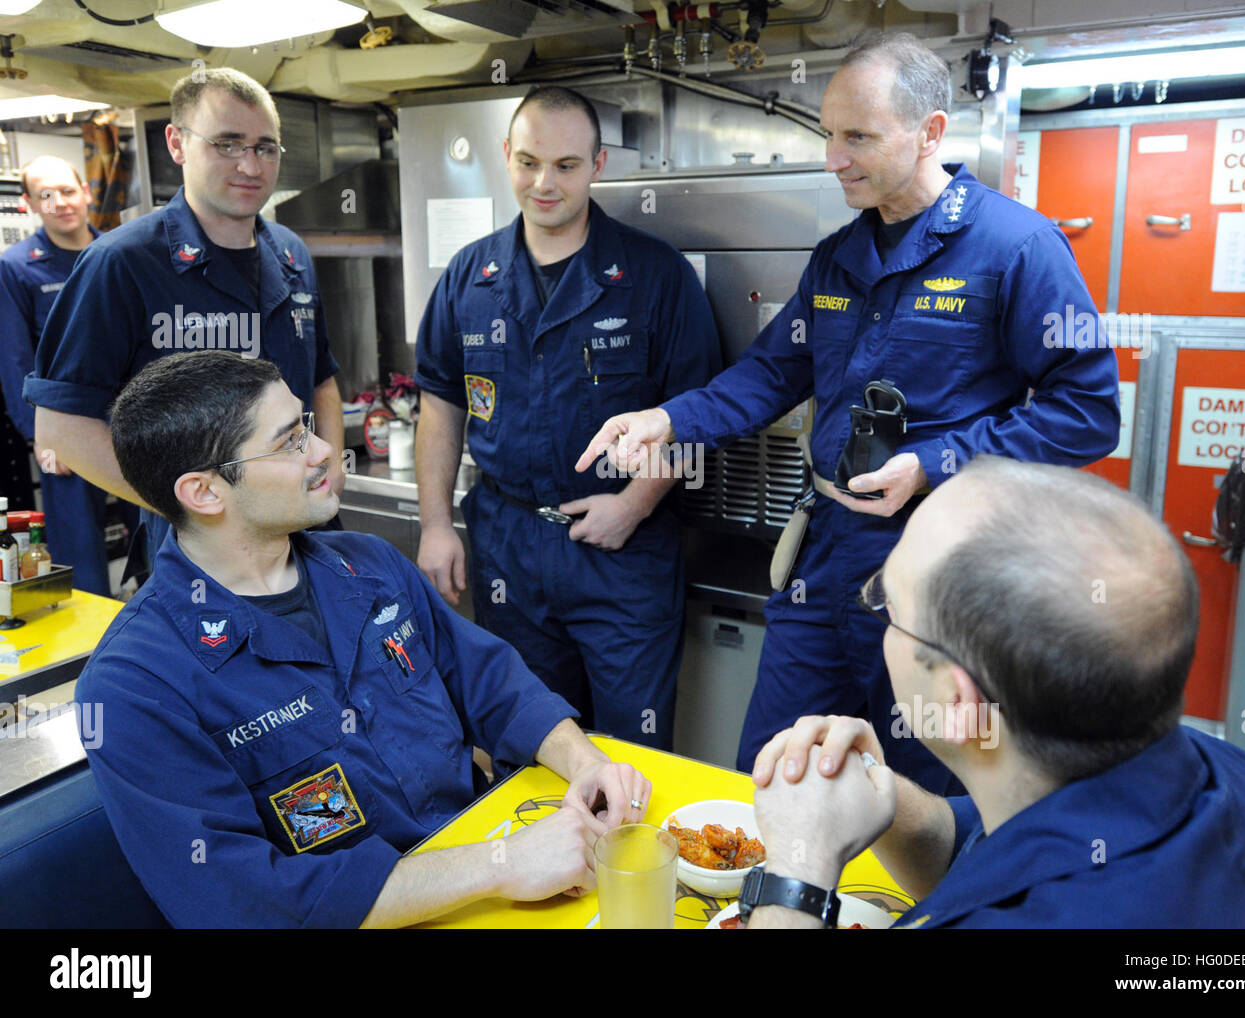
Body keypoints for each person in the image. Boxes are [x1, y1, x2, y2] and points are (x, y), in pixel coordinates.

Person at [577, 33, 1120, 788]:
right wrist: (670, 421)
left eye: (858, 136)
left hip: (938, 563)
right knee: (770, 768)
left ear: (931, 131)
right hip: (824, 552)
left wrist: (933, 466)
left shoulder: (1018, 248)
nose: (834, 157)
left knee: (919, 789)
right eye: (829, 133)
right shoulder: (837, 255)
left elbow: (1087, 410)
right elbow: (773, 373)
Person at [75, 351, 652, 929]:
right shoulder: (135, 685)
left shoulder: (369, 565)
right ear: (204, 492)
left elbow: (491, 682)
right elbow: (245, 904)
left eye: (307, 425)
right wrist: (501, 865)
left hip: (493, 874)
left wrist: (585, 763)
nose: (324, 449)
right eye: (290, 441)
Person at [742, 456, 1245, 929]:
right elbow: (993, 856)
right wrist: (881, 795)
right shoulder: (1237, 781)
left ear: (957, 704)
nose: (880, 612)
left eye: (889, 601)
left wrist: (796, 873)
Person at [414, 86, 721, 751]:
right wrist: (437, 524)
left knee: (628, 752)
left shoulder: (654, 274)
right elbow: (439, 400)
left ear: (599, 165)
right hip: (507, 549)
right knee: (525, 744)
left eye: (566, 166)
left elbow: (693, 413)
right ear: (505, 156)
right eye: (527, 162)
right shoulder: (470, 275)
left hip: (621, 556)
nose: (543, 183)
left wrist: (635, 506)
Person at [24, 67, 345, 573]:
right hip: (197, 554)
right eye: (227, 143)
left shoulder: (291, 254)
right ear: (177, 144)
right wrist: (198, 511)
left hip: (305, 537)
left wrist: (331, 472)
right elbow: (61, 427)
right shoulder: (122, 263)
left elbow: (321, 378)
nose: (250, 164)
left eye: (266, 147)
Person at [0, 155, 124, 596]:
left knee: (159, 533)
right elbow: (14, 360)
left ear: (85, 193)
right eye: (45, 195)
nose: (59, 203)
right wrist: (42, 436)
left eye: (67, 191)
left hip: (132, 418)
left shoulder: (121, 252)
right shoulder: (16, 267)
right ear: (32, 203)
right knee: (80, 554)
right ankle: (93, 655)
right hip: (67, 429)